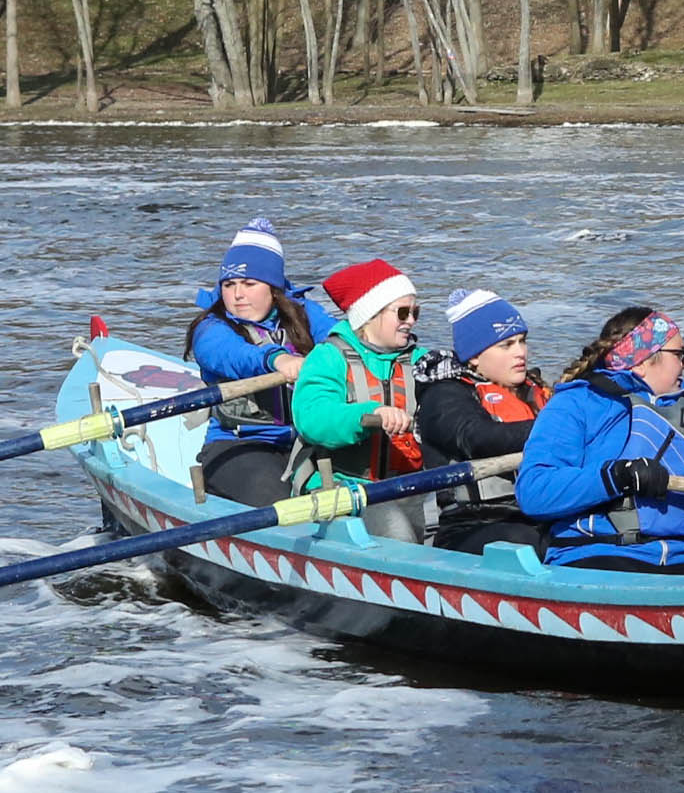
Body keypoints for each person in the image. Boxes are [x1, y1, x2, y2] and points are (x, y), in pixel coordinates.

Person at [515, 307, 684, 575]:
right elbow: (534, 492)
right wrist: (617, 476)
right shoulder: (575, 403)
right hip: (598, 553)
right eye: (679, 354)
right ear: (642, 362)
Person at [186, 218, 340, 504]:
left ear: (273, 288)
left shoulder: (305, 313)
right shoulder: (211, 329)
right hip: (239, 445)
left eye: (249, 283)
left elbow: (341, 340)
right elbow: (235, 355)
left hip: (308, 440)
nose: (238, 294)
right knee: (279, 501)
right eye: (229, 284)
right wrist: (278, 359)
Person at [416, 289, 549, 557]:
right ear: (474, 356)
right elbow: (477, 437)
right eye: (506, 345)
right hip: (472, 523)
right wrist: (555, 430)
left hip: (538, 512)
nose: (520, 352)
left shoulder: (534, 391)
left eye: (522, 341)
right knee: (530, 541)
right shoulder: (443, 395)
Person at [290, 258, 434, 489]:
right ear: (370, 316)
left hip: (410, 482)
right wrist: (371, 413)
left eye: (415, 312)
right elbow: (312, 418)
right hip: (343, 483)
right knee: (394, 525)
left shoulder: (422, 360)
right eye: (403, 313)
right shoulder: (328, 357)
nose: (411, 321)